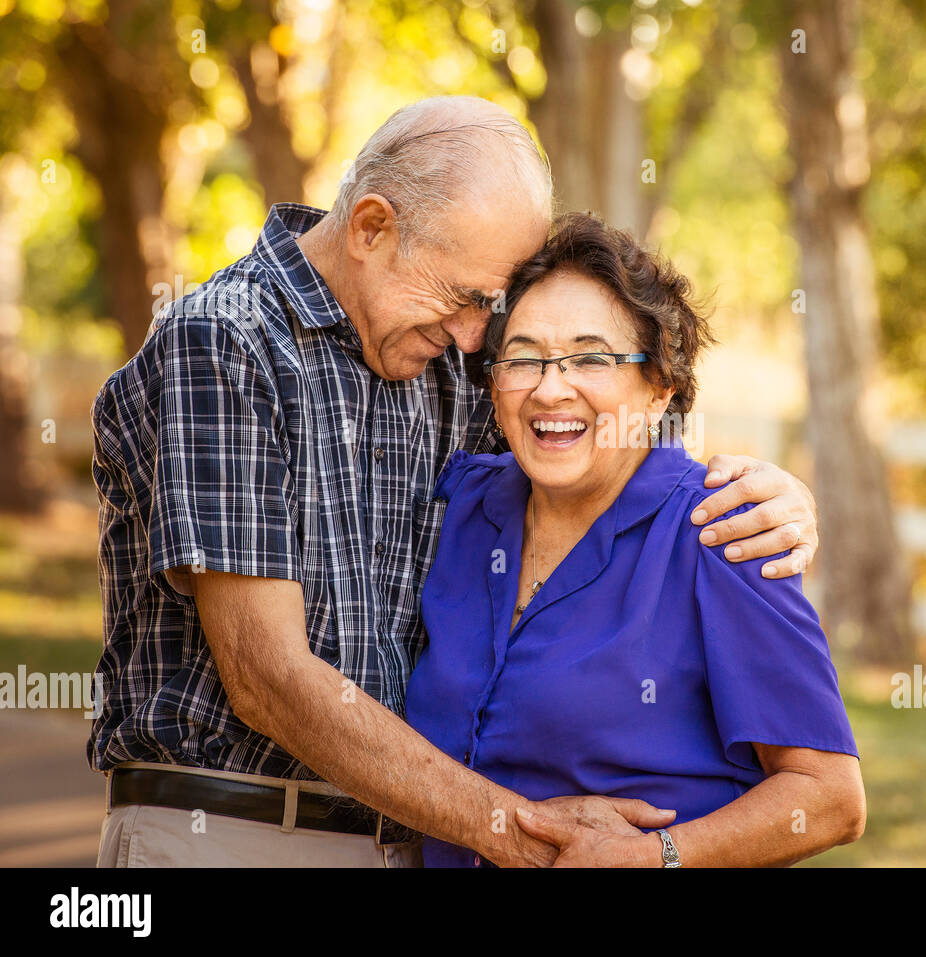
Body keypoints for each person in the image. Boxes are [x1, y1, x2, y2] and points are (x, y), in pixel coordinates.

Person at [89, 95, 824, 867]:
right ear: (372, 227)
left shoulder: (437, 356)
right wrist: (524, 832)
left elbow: (597, 437)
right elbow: (266, 678)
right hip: (237, 833)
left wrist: (771, 493)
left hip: (405, 837)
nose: (478, 338)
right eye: (468, 297)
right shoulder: (225, 343)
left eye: (494, 309)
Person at [406, 212, 865, 867]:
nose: (550, 387)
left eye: (591, 357)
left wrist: (660, 855)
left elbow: (830, 798)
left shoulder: (721, 530)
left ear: (660, 387)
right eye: (524, 357)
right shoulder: (463, 504)